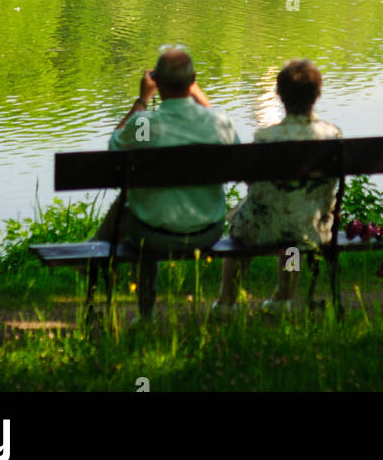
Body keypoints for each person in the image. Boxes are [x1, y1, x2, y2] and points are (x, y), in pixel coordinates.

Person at [95, 45, 237, 318]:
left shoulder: (145, 125)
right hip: (207, 231)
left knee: (138, 210)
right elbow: (229, 141)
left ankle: (145, 314)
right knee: (142, 209)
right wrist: (198, 96)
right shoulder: (217, 122)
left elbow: (113, 149)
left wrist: (142, 100)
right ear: (193, 79)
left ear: (156, 82)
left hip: (151, 236)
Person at [216, 58, 341, 312]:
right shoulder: (332, 135)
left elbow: (252, 181)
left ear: (280, 96)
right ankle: (283, 298)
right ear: (317, 95)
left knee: (241, 225)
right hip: (313, 227)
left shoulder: (266, 138)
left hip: (260, 228)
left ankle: (227, 302)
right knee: (293, 238)